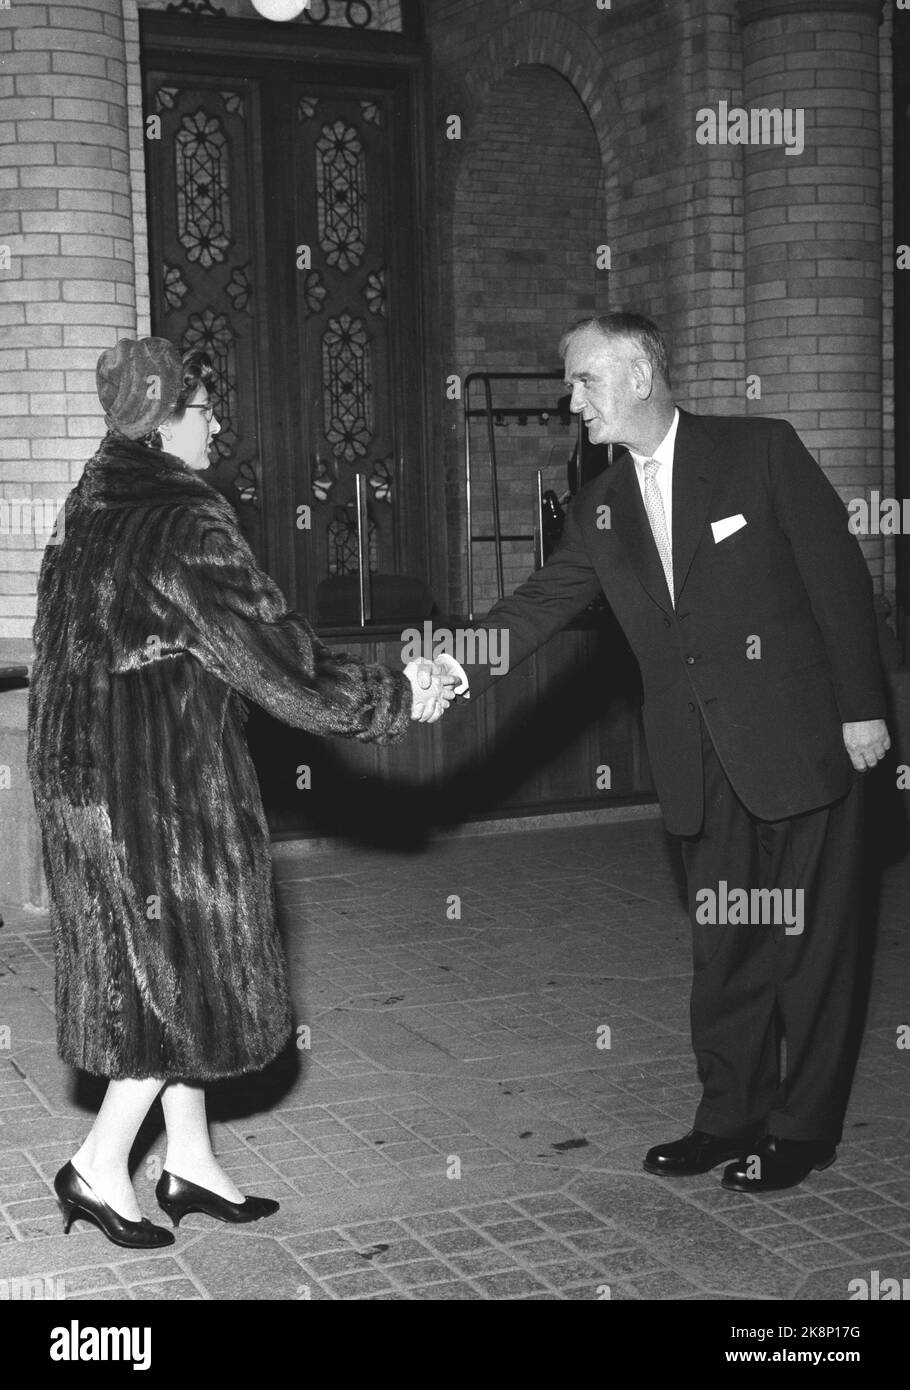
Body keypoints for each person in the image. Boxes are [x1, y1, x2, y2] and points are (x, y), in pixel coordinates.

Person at [27, 336, 455, 1249]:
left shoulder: (91, 503)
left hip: (85, 781)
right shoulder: (184, 520)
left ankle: (188, 1161)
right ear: (165, 419)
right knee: (185, 978)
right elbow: (274, 655)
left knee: (155, 969)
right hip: (159, 794)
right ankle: (100, 1166)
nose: (219, 422)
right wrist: (394, 695)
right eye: (205, 408)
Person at [453, 312, 890, 1194]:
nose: (571, 401)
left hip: (803, 744)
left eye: (584, 381)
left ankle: (801, 1132)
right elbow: (540, 604)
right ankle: (728, 1118)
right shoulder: (600, 505)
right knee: (728, 947)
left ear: (640, 375)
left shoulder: (759, 451)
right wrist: (447, 667)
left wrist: (864, 712)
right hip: (698, 763)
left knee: (811, 949)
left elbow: (838, 580)